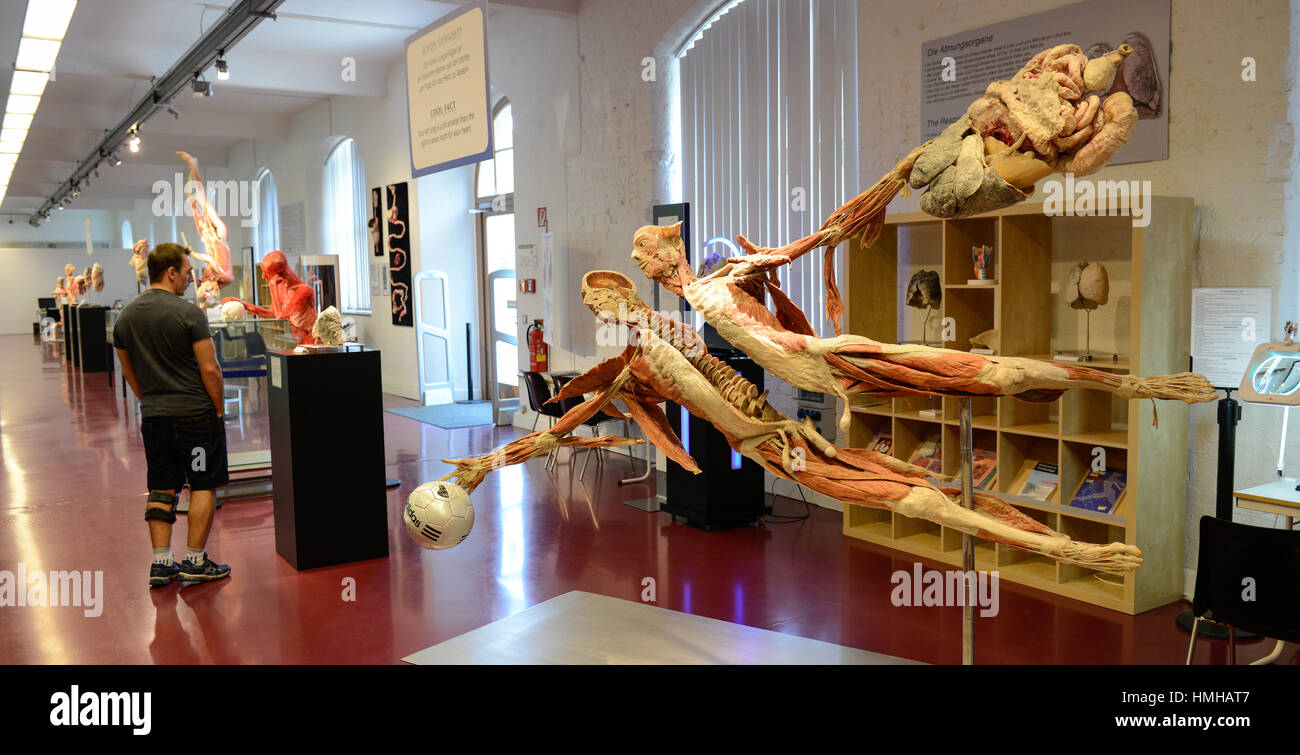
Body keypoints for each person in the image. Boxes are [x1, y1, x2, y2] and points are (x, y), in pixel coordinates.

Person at [113, 243, 231, 587]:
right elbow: (210, 369)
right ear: (171, 272)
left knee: (161, 486)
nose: (191, 279)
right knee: (202, 482)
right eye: (188, 272)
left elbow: (128, 371)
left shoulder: (125, 317)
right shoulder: (189, 313)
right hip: (194, 419)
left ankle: (161, 563)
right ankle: (195, 560)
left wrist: (151, 400)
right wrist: (218, 408)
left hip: (155, 419)